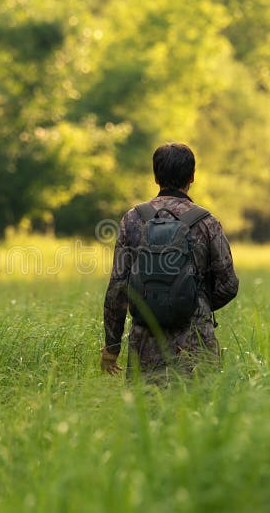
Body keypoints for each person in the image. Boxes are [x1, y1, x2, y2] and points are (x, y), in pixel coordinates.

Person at [100, 142, 239, 381]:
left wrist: (112, 349)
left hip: (144, 348)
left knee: (147, 416)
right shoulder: (207, 222)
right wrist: (192, 302)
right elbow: (229, 284)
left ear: (155, 177)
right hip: (197, 345)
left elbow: (117, 289)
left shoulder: (132, 220)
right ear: (192, 176)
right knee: (199, 413)